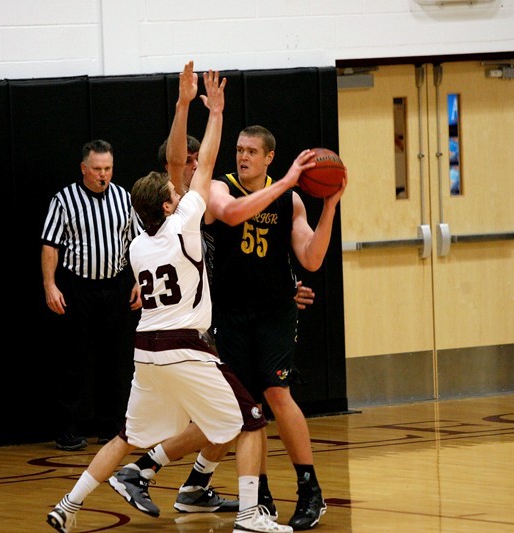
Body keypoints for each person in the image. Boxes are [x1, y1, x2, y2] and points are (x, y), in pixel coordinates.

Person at [46, 62, 293, 533]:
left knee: (125, 436)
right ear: (166, 204)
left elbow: (182, 174)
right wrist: (214, 112)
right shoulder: (184, 226)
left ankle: (68, 505)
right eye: (172, 191)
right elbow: (192, 171)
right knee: (252, 422)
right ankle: (248, 517)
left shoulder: (138, 243)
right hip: (185, 344)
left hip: (146, 351)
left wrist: (183, 105)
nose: (181, 189)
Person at [107, 67, 319, 520]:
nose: (190, 164)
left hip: (245, 312)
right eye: (183, 162)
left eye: (249, 151)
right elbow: (202, 188)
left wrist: (286, 286)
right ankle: (177, 478)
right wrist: (187, 106)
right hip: (207, 321)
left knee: (245, 409)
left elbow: (289, 251)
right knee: (235, 413)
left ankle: (187, 480)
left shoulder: (203, 195)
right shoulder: (193, 197)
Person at [201, 125, 346, 530]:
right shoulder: (219, 188)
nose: (242, 156)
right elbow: (228, 214)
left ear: (269, 157)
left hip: (275, 311)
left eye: (251, 151)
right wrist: (285, 183)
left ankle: (310, 491)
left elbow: (312, 260)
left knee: (277, 393)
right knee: (249, 408)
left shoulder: (291, 200)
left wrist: (330, 206)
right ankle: (260, 495)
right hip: (230, 313)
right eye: (238, 149)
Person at [41, 139, 142, 451]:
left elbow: (138, 242)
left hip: (115, 287)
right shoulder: (64, 200)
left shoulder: (125, 198)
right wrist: (50, 285)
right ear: (83, 169)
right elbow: (50, 245)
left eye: (108, 168)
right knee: (73, 359)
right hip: (78, 288)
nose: (103, 175)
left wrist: (140, 280)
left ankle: (111, 428)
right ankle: (67, 429)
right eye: (97, 169)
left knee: (116, 361)